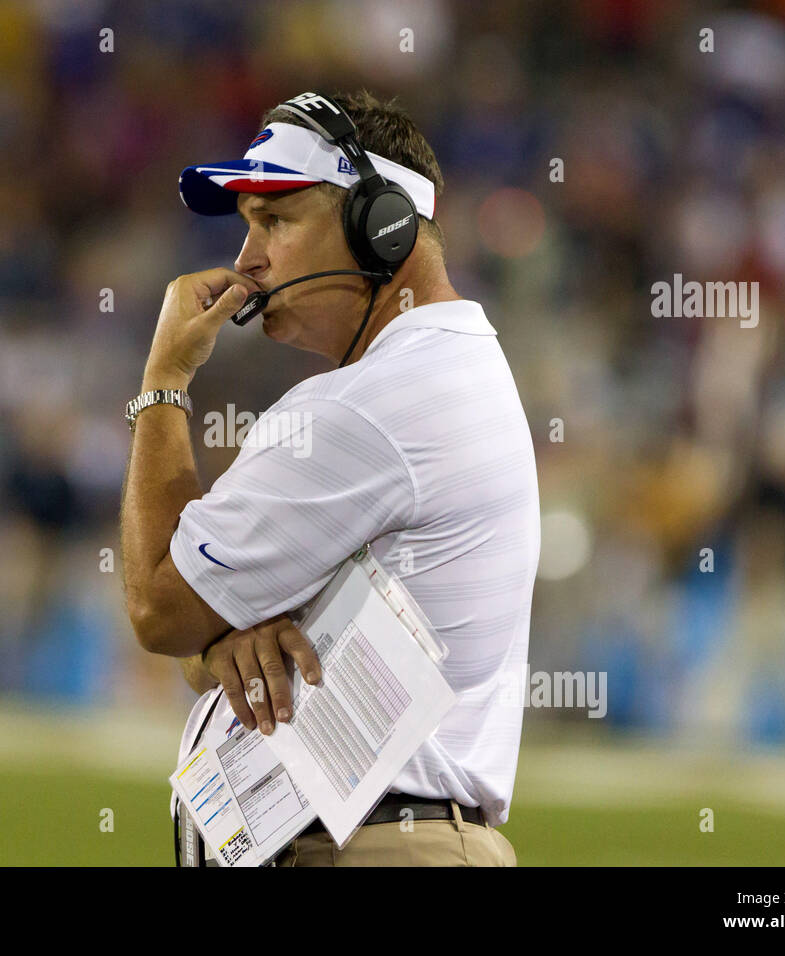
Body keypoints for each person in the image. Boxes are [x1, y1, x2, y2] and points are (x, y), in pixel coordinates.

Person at [120, 90, 540, 866]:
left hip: (372, 848)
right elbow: (198, 631)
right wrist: (222, 647)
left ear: (380, 225)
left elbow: (158, 604)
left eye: (275, 221)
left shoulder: (365, 408)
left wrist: (164, 381)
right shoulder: (448, 365)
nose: (247, 260)